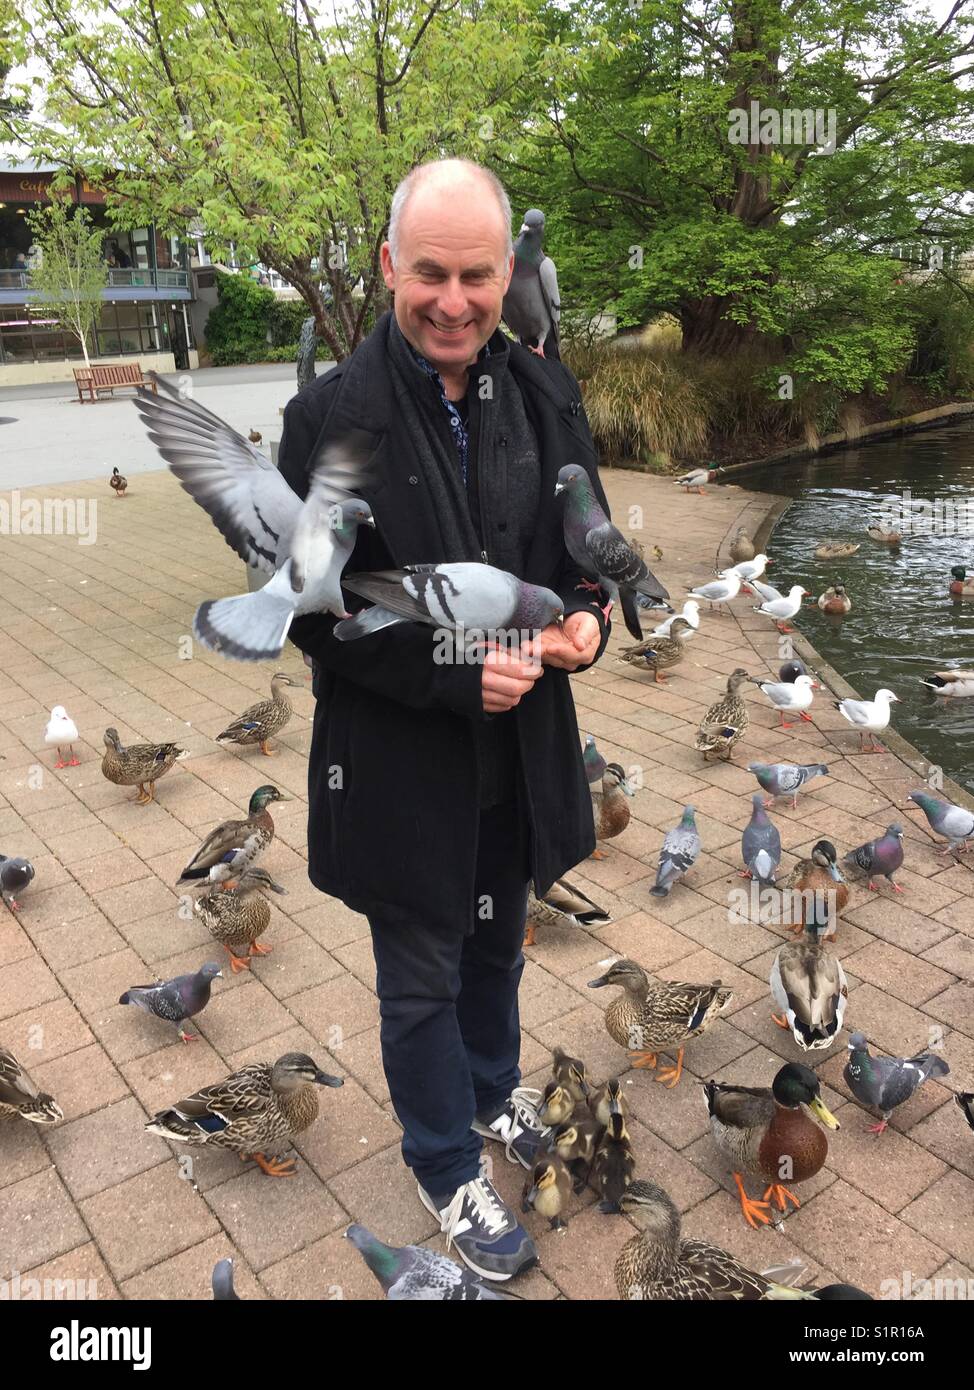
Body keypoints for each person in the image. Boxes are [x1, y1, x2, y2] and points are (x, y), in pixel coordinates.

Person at [277, 157, 611, 1284]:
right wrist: (455, 666)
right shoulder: (332, 420)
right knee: (419, 971)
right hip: (401, 767)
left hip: (519, 757)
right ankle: (439, 1159)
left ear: (506, 273)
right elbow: (315, 619)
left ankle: (486, 1094)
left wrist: (590, 623)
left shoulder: (543, 390)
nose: (454, 301)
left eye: (476, 275)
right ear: (388, 267)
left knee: (495, 949)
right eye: (430, 273)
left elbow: (586, 545)